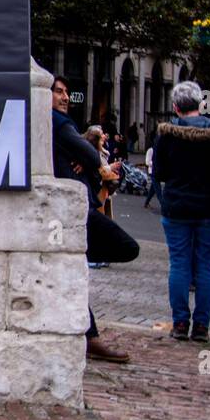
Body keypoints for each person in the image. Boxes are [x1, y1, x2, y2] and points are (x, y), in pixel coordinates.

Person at [51, 74, 135, 363]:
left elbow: (83, 154)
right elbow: (89, 153)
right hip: (72, 211)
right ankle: (90, 336)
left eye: (66, 92)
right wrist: (90, 159)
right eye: (58, 92)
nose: (64, 97)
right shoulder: (57, 122)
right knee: (125, 247)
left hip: (69, 208)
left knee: (68, 269)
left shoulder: (56, 125)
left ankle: (89, 335)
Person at [152, 80, 210, 344]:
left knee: (178, 263)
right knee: (206, 266)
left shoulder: (167, 134)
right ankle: (201, 326)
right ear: (201, 104)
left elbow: (160, 172)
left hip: (177, 206)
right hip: (209, 206)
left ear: (176, 107)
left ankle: (179, 322)